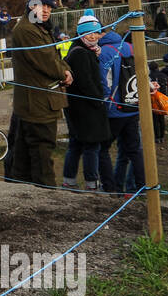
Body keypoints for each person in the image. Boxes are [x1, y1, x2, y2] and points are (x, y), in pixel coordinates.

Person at [8, 0, 71, 187]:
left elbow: (54, 56)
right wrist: (64, 73)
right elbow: (46, 60)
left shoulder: (39, 27)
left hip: (39, 101)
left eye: (49, 7)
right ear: (31, 6)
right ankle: (47, 194)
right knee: (42, 154)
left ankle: (24, 192)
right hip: (37, 103)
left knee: (27, 155)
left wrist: (66, 70)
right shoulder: (27, 30)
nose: (46, 10)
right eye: (41, 5)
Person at [61, 14, 109, 190]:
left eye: (96, 32)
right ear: (81, 33)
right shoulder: (81, 53)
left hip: (77, 107)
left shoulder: (81, 50)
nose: (93, 36)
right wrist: (99, 100)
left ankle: (69, 180)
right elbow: (86, 81)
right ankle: (91, 183)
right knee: (91, 146)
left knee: (76, 144)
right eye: (89, 33)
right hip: (87, 108)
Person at [98, 28, 144, 194]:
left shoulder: (104, 52)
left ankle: (110, 188)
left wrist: (104, 104)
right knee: (133, 150)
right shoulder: (132, 47)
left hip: (114, 110)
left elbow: (104, 82)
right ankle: (143, 187)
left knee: (102, 149)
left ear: (102, 34)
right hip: (133, 106)